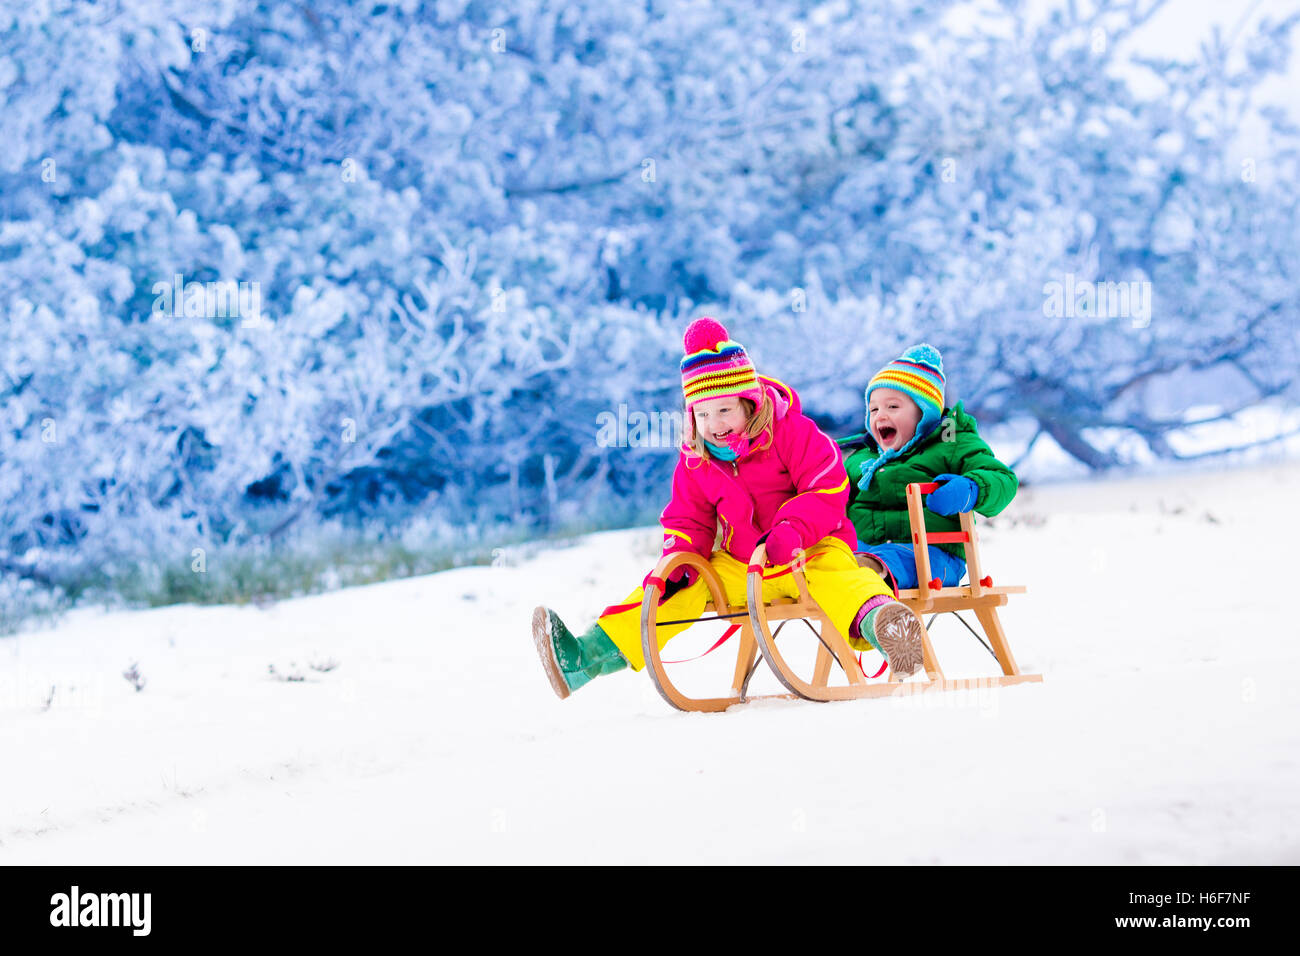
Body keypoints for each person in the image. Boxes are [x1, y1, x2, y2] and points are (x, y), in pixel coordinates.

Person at [532, 317, 927, 699]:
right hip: (742, 565)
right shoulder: (696, 459)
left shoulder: (792, 431)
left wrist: (792, 528)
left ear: (750, 403)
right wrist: (681, 556)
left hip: (811, 550)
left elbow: (828, 485)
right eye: (702, 414)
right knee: (675, 585)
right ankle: (585, 659)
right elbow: (688, 518)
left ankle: (888, 628)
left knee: (842, 578)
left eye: (724, 411)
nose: (715, 423)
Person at [838, 344, 1019, 594]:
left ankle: (869, 570)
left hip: (933, 555)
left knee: (893, 560)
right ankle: (850, 575)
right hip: (863, 549)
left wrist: (970, 489)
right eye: (873, 409)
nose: (880, 415)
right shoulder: (862, 459)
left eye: (893, 407)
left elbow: (1003, 479)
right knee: (834, 557)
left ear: (924, 413)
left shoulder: (951, 443)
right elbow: (829, 496)